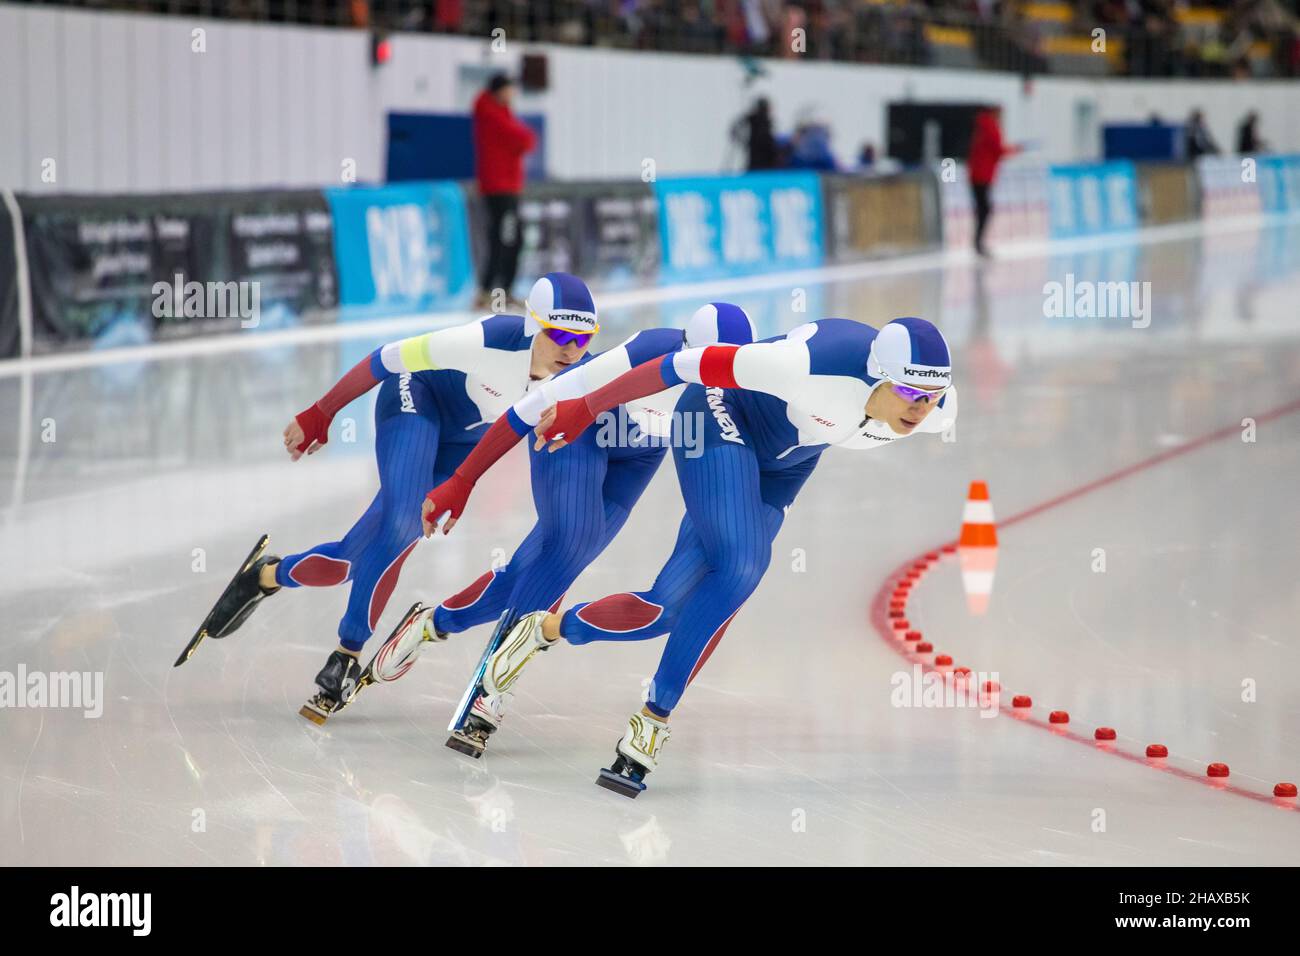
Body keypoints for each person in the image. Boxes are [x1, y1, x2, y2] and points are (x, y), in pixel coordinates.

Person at [424, 316, 958, 794]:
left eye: (932, 396)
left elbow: (924, 407)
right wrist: (584, 410)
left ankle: (543, 632)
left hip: (788, 464)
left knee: (669, 609)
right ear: (878, 374)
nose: (920, 407)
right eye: (911, 390)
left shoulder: (936, 410)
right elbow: (680, 366)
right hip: (717, 418)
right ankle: (652, 721)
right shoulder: (802, 366)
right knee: (745, 564)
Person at [188, 273, 599, 723]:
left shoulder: (582, 374)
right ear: (532, 325)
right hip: (415, 399)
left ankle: (266, 577)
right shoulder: (489, 338)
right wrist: (321, 412)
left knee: (351, 562)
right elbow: (385, 358)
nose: (571, 348)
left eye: (583, 338)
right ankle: (346, 654)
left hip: (463, 442)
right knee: (404, 525)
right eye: (559, 334)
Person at [358, 305, 757, 749]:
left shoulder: (746, 377)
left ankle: (434, 623)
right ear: (684, 352)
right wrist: (463, 479)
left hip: (641, 453)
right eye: (705, 369)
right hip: (577, 430)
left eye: (727, 372)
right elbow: (527, 408)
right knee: (570, 544)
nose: (716, 386)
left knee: (542, 569)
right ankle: (492, 690)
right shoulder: (645, 354)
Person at [473, 72, 537, 310]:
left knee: (510, 239)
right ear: (499, 91)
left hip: (506, 187)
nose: (513, 94)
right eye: (510, 89)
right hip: (498, 188)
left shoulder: (500, 113)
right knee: (505, 238)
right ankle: (488, 291)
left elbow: (525, 139)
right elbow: (524, 138)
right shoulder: (490, 113)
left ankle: (501, 291)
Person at [967, 107, 1018, 258]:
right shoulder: (992, 128)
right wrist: (1015, 150)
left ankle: (978, 242)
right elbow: (999, 150)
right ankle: (978, 243)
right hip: (984, 176)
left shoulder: (980, 128)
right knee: (985, 209)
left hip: (975, 174)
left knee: (982, 209)